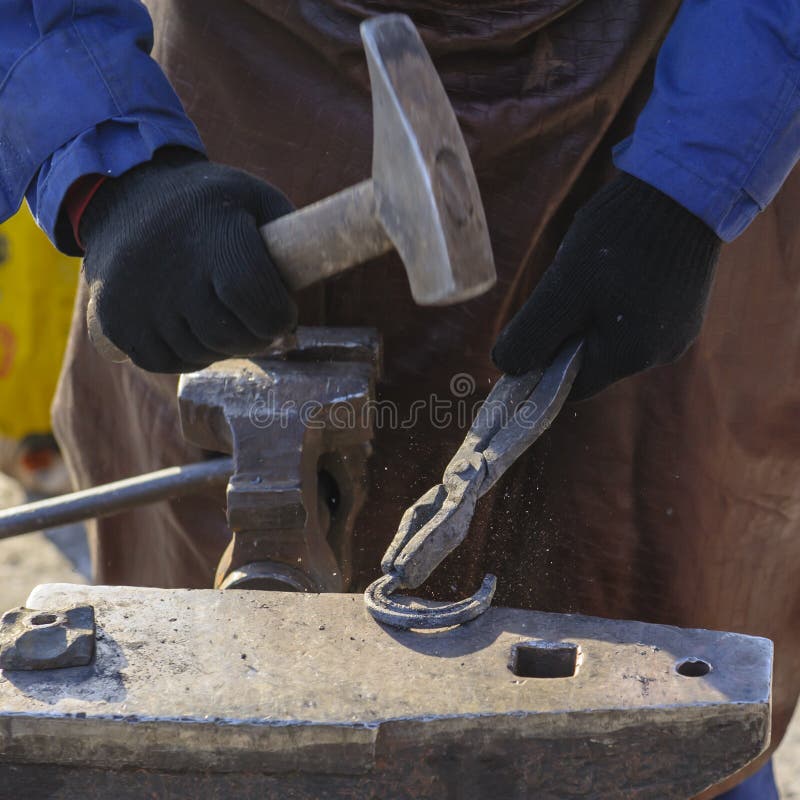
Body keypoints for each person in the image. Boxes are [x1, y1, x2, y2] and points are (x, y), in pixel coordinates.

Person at [2, 2, 798, 796]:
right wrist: (107, 166)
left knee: (657, 677)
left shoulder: (682, 173)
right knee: (192, 713)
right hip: (214, 148)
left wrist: (693, 176)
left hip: (644, 136)